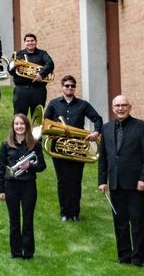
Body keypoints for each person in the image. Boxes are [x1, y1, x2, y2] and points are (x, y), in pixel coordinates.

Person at [99, 95, 144, 267]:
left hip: (136, 185)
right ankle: (124, 256)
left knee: (137, 223)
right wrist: (102, 181)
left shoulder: (141, 127)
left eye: (124, 105)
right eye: (117, 105)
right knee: (120, 222)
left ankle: (138, 258)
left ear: (130, 107)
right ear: (112, 107)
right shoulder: (106, 128)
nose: (121, 108)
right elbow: (104, 158)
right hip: (115, 183)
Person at [45, 75, 102, 222]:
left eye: (72, 86)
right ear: (62, 87)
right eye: (67, 86)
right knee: (62, 181)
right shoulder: (53, 104)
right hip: (59, 148)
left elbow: (97, 118)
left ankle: (75, 213)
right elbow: (44, 122)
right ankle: (64, 212)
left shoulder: (83, 105)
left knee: (76, 181)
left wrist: (96, 132)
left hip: (77, 148)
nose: (70, 88)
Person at [0, 113, 47, 260]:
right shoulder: (5, 145)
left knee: (28, 220)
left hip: (28, 186)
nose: (19, 126)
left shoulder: (34, 145)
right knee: (14, 221)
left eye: (22, 124)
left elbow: (42, 166)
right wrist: (1, 189)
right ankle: (16, 252)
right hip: (10, 186)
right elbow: (0, 168)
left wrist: (29, 166)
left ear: (27, 126)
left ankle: (28, 253)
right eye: (16, 124)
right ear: (13, 127)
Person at [11, 33, 54, 117]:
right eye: (28, 41)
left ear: (36, 42)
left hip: (38, 90)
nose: (30, 43)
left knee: (37, 117)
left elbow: (50, 64)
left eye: (32, 41)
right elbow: (10, 69)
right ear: (25, 42)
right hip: (21, 90)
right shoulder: (18, 54)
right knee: (19, 116)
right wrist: (16, 69)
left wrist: (41, 74)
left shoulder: (42, 53)